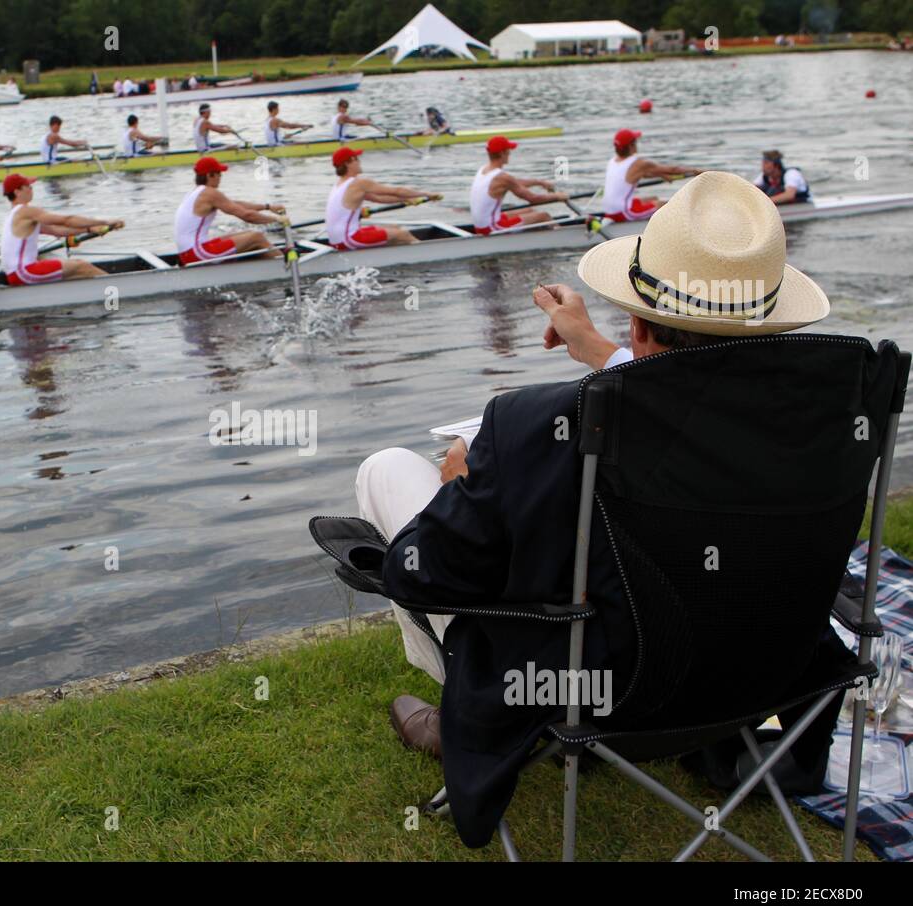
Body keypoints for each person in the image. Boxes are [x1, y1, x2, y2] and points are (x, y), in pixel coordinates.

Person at [355, 172, 840, 846]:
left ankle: (460, 715)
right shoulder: (823, 421)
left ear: (638, 323)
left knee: (386, 472)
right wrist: (593, 349)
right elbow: (693, 403)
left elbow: (420, 575)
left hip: (590, 691)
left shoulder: (530, 424)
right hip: (762, 674)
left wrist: (465, 491)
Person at [0, 173, 123, 283]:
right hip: (24, 272)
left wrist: (90, 229)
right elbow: (66, 220)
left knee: (77, 270)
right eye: (29, 187)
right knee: (82, 266)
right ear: (17, 192)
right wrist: (106, 221)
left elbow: (57, 231)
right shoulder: (26, 211)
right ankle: (119, 289)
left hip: (15, 274)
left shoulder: (14, 215)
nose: (32, 190)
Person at [173, 156, 285, 265]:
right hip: (196, 254)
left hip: (187, 253)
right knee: (257, 237)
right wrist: (278, 219)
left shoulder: (195, 192)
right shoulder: (210, 193)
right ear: (210, 175)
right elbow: (247, 216)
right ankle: (287, 267)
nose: (221, 177)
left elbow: (236, 205)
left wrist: (268, 207)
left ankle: (268, 264)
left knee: (247, 234)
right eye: (219, 174)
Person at [324, 147, 439, 250]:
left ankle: (391, 257)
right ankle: (430, 253)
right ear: (348, 163)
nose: (359, 162)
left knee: (395, 228)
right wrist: (426, 194)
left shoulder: (339, 185)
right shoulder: (359, 183)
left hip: (337, 240)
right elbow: (396, 191)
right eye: (356, 159)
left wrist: (404, 200)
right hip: (349, 239)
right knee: (402, 234)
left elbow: (379, 198)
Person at [469, 135, 568, 235]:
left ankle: (536, 236)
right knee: (543, 216)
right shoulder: (502, 177)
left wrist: (539, 182)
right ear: (502, 153)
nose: (510, 153)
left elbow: (515, 183)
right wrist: (557, 196)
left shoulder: (484, 170)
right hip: (491, 229)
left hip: (482, 225)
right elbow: (533, 198)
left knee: (529, 210)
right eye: (508, 150)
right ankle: (563, 236)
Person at [602, 129, 701, 222]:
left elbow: (643, 174)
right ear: (631, 146)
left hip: (609, 211)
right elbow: (673, 170)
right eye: (635, 142)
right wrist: (695, 171)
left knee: (653, 198)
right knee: (664, 205)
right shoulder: (638, 163)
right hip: (623, 213)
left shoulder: (612, 161)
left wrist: (662, 175)